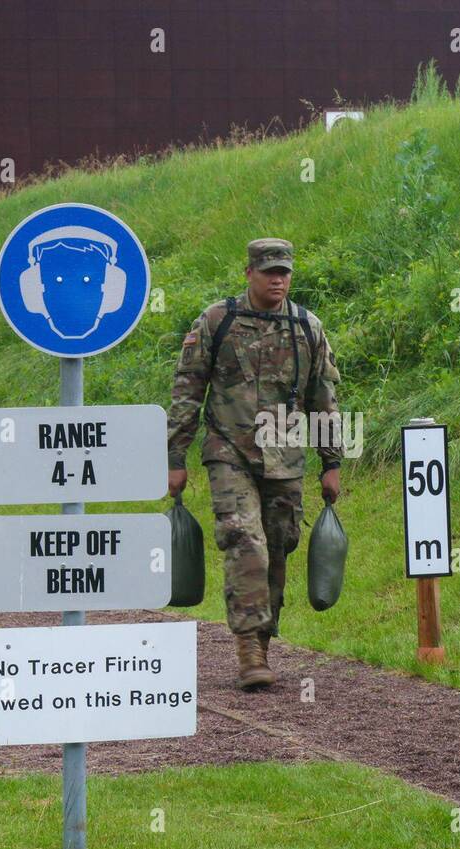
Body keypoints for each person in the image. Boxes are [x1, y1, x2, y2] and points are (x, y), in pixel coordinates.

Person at [166, 238, 345, 689]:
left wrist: (332, 463)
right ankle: (248, 649)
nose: (277, 279)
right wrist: (175, 456)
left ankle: (263, 642)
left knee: (278, 546)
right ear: (249, 273)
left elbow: (325, 399)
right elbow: (187, 390)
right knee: (246, 540)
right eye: (268, 272)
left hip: (284, 455)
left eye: (284, 271)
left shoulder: (307, 327)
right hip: (229, 450)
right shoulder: (217, 321)